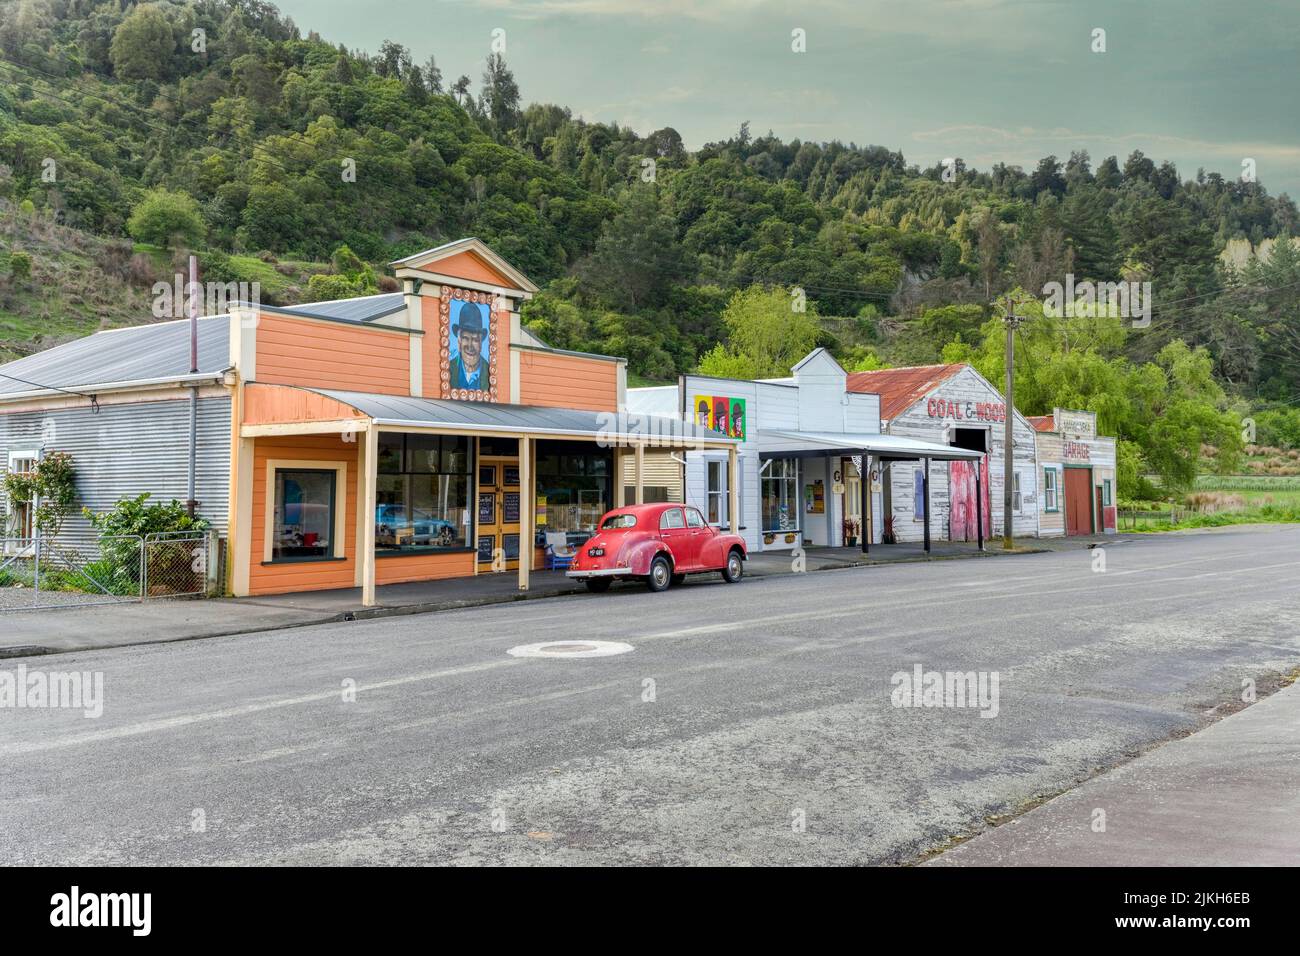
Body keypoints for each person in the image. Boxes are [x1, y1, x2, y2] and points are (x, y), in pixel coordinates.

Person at [451, 301, 488, 390]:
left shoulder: (490, 372)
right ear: (459, 341)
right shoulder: (449, 368)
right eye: (465, 338)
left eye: (475, 339)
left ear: (481, 343)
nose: (470, 346)